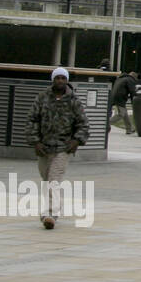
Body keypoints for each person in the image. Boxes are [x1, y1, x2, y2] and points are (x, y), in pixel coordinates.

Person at [26, 67, 88, 229]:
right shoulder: (42, 98)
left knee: (54, 179)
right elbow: (32, 120)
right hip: (44, 147)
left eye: (63, 78)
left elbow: (83, 124)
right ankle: (48, 210)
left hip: (63, 147)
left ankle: (51, 213)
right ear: (53, 80)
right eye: (57, 78)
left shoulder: (74, 101)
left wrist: (76, 141)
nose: (60, 81)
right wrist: (35, 142)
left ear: (67, 80)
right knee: (47, 180)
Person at [109, 69, 138, 134]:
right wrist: (134, 101)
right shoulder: (130, 79)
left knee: (125, 113)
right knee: (121, 114)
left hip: (115, 96)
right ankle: (106, 124)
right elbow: (132, 91)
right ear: (134, 77)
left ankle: (129, 129)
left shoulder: (121, 78)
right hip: (120, 97)